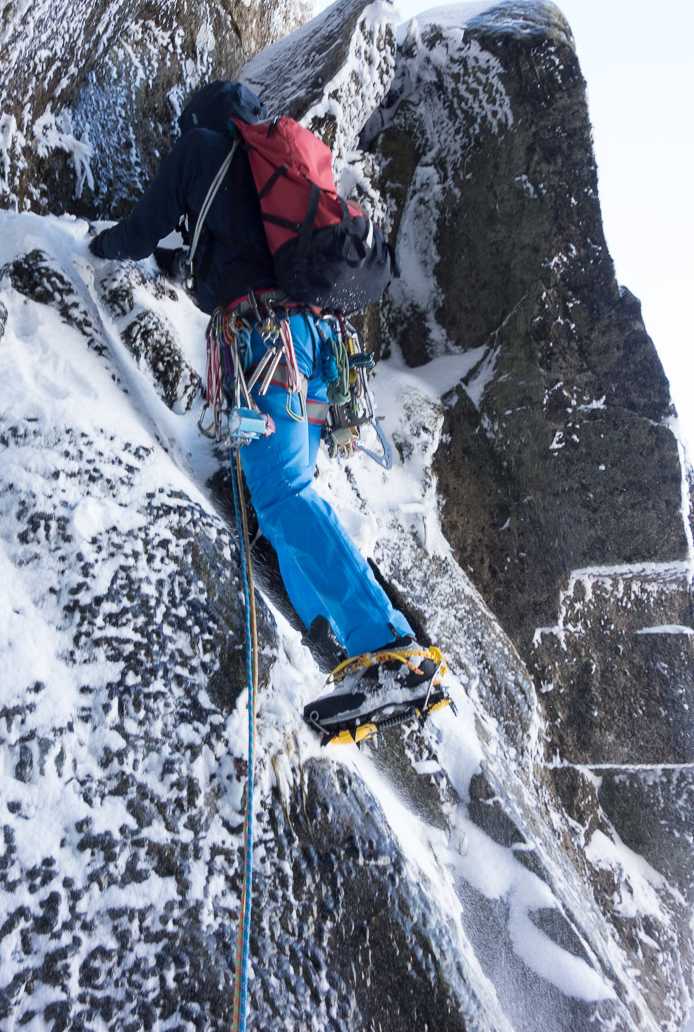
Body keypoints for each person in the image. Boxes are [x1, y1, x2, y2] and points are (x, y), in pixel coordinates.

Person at [89, 80, 447, 740]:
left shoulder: (200, 151)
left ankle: (388, 650)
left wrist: (97, 247)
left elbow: (143, 230)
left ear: (205, 120)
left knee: (281, 496)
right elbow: (225, 257)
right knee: (288, 500)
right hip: (317, 349)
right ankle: (353, 655)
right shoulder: (273, 174)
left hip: (263, 345)